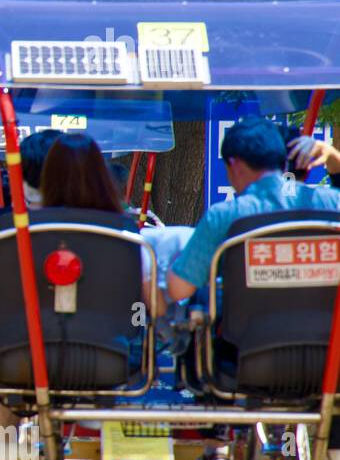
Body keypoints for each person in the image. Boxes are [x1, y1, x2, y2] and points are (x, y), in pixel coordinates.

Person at [167, 116, 340, 302]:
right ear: (283, 162)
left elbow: (179, 290)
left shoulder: (222, 217)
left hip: (244, 331)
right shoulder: (331, 203)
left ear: (234, 165)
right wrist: (332, 155)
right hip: (328, 329)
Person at [40, 132, 162, 314]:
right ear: (103, 177)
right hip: (110, 338)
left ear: (46, 178)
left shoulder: (23, 230)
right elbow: (156, 306)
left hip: (32, 338)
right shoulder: (124, 233)